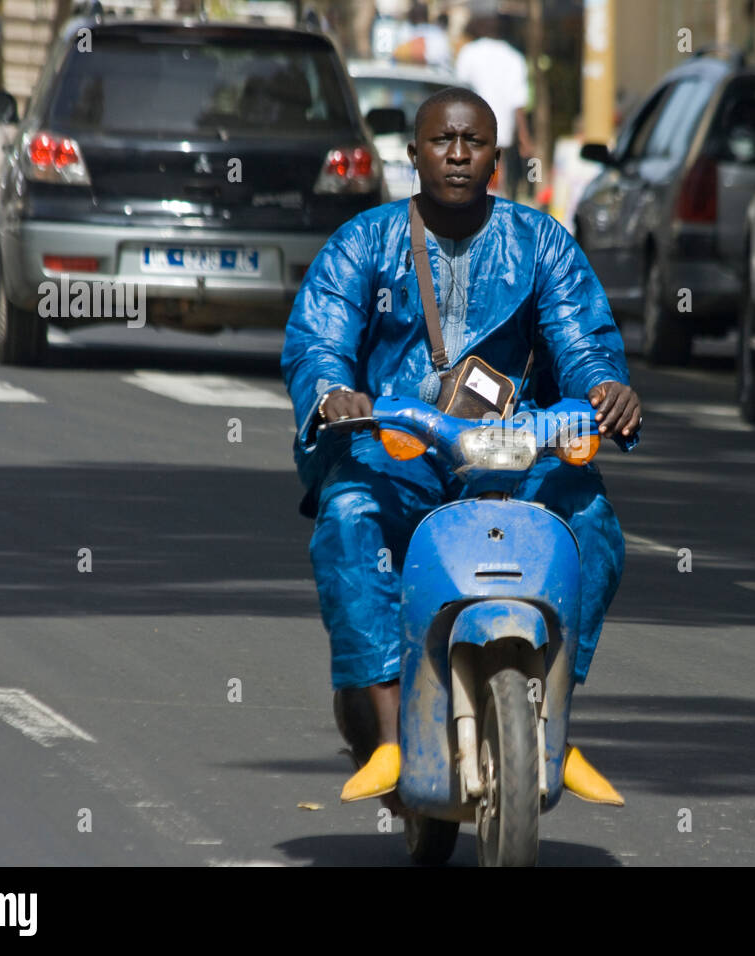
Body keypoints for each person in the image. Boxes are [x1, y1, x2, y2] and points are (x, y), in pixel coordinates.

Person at [281, 88, 641, 809]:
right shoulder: (363, 241)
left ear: (495, 159)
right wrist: (333, 394)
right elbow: (320, 340)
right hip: (397, 452)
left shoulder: (540, 243)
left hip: (510, 454)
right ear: (413, 154)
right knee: (350, 513)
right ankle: (387, 737)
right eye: (441, 141)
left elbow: (581, 341)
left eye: (472, 142)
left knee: (593, 516)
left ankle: (556, 717)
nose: (455, 153)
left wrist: (605, 390)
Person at [452, 17, 532, 201]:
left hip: (467, 126)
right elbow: (518, 103)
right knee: (493, 178)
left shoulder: (469, 52)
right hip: (499, 131)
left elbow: (457, 91)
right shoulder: (515, 58)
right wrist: (524, 138)